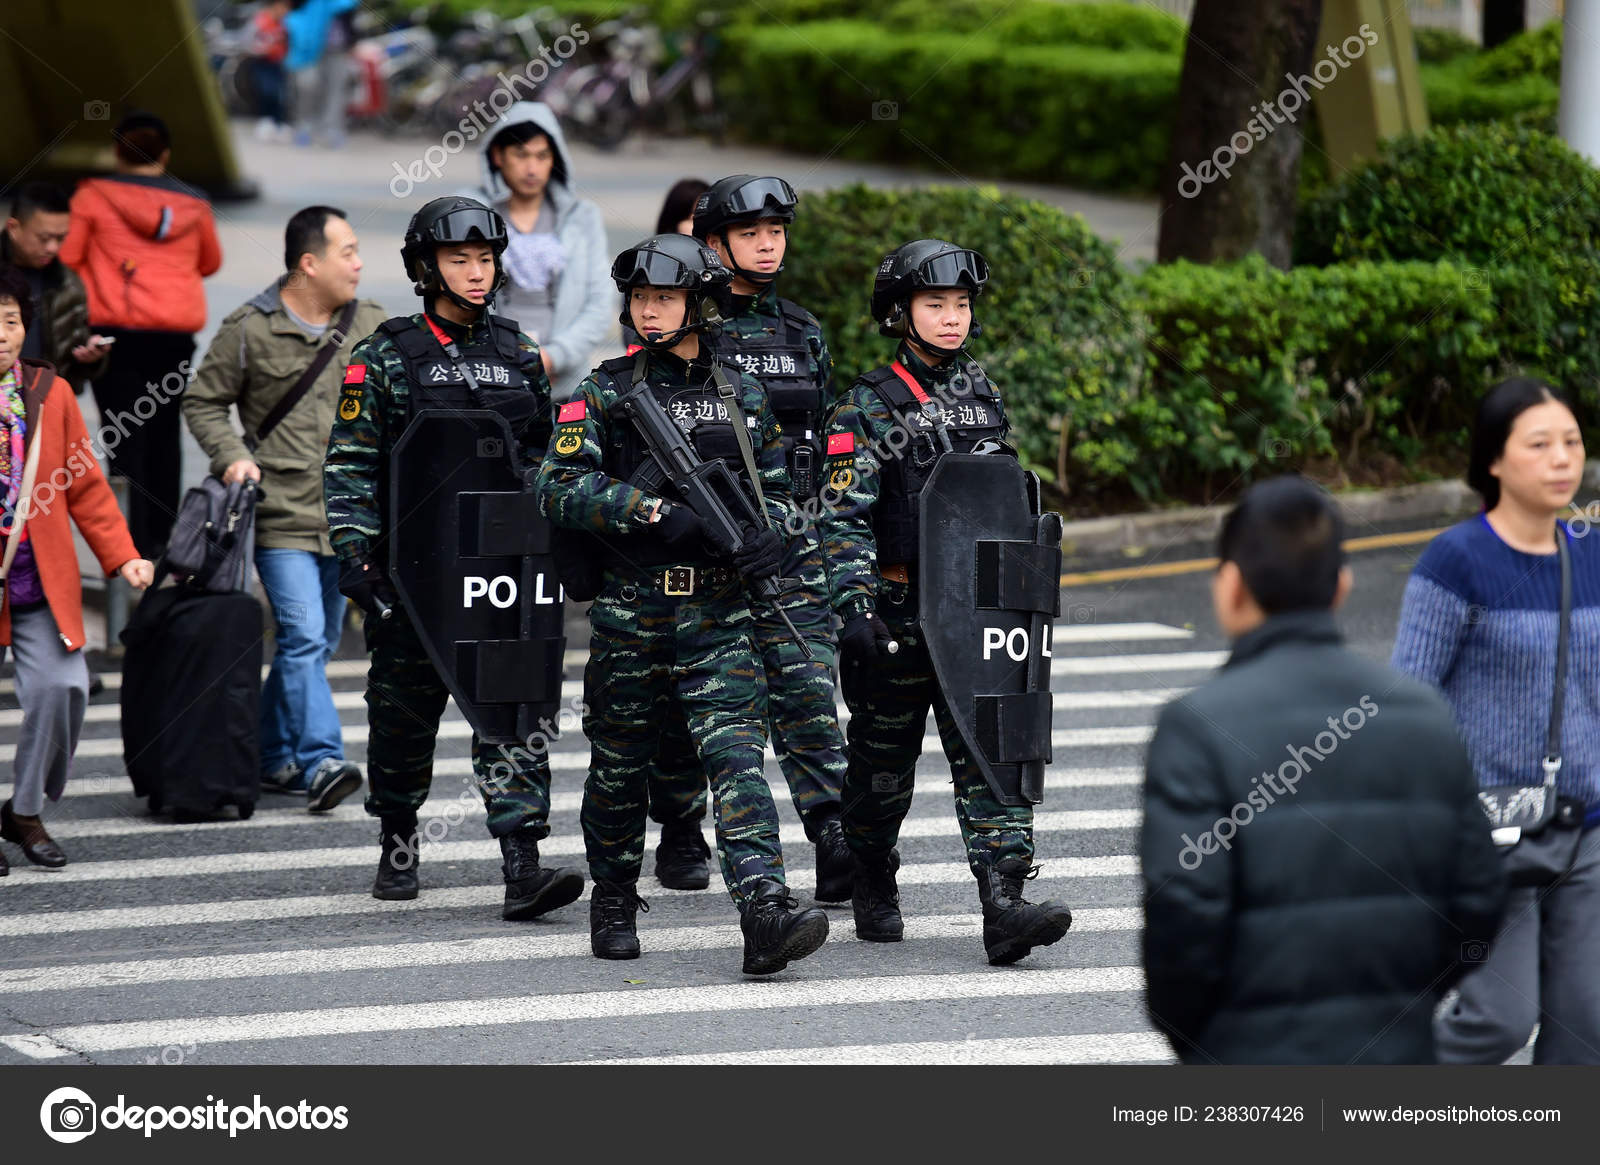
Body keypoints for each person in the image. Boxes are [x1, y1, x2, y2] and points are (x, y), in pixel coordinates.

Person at [535, 233, 829, 974]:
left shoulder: (742, 392)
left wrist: (771, 542)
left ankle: (763, 906)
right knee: (619, 765)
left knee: (736, 758)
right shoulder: (603, 391)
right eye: (640, 299)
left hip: (719, 612)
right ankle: (612, 893)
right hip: (632, 613)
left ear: (698, 304)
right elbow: (555, 486)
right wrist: (653, 512)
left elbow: (780, 492)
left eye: (664, 298)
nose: (649, 311)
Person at [1142, 475, 1506, 1064]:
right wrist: (1405, 1004)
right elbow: (1479, 897)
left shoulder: (1197, 727)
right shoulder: (1423, 714)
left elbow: (1184, 919)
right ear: (1341, 587)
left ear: (1230, 586)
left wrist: (1201, 1039)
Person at [324, 196, 583, 921]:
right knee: (402, 714)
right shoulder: (384, 356)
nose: (476, 272)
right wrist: (357, 559)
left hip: (501, 567)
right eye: (458, 259)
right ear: (424, 267)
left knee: (510, 705)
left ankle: (522, 862)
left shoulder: (518, 354)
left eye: (485, 258)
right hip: (414, 572)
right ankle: (398, 839)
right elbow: (350, 466)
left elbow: (543, 459)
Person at [817, 238, 1072, 965]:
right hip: (897, 611)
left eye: (961, 305)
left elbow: (1007, 506)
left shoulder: (982, 395)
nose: (952, 318)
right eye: (936, 305)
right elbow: (842, 516)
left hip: (977, 612)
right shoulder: (864, 406)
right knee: (881, 770)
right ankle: (869, 867)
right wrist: (853, 608)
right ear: (901, 313)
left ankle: (1004, 902)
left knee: (996, 748)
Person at [617, 174, 849, 898]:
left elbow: (828, 440)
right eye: (750, 232)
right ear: (712, 245)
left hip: (789, 546)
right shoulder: (697, 329)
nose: (768, 244)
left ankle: (836, 837)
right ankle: (682, 826)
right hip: (702, 555)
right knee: (700, 706)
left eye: (776, 231)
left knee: (809, 693)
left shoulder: (805, 331)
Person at [1393, 377, 1600, 1064]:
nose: (1562, 458)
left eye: (1570, 441)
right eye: (1539, 444)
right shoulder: (1456, 561)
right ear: (1494, 460)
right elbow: (1408, 696)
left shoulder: (1591, 552)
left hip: (1589, 829)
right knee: (1499, 1020)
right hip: (1489, 830)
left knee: (1585, 1026)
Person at [184, 206, 384, 811]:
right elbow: (202, 401)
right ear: (309, 263)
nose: (358, 262)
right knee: (301, 636)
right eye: (346, 251)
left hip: (351, 523)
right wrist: (230, 458)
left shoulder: (372, 324)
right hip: (281, 519)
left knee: (316, 644)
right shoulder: (249, 329)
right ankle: (323, 759)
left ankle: (272, 758)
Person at [0, 267, 154, 874]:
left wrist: (123, 555)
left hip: (36, 578)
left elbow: (86, 488)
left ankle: (24, 809)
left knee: (63, 688)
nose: (1, 334)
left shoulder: (49, 393)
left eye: (10, 321)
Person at [60, 112, 223, 560]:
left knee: (123, 434)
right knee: (165, 433)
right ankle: (161, 538)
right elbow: (209, 262)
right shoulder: (195, 202)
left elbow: (69, 256)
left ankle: (128, 544)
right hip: (174, 336)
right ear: (165, 155)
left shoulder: (92, 197)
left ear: (117, 152)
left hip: (116, 335)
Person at [473, 102, 612, 403]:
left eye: (542, 155)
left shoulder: (582, 216)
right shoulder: (471, 211)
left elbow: (600, 301)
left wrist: (554, 357)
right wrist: (499, 359)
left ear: (555, 158)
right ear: (498, 155)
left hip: (568, 385)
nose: (532, 168)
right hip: (487, 382)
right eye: (521, 155)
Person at [1, 182, 109, 393]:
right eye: (44, 238)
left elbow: (74, 372)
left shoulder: (68, 284)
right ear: (14, 228)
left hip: (45, 403)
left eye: (60, 238)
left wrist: (90, 359)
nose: (52, 248)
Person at [286, 0, 356, 149]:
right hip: (309, 48)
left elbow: (350, 22)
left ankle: (331, 130)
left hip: (338, 48)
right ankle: (305, 127)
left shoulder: (346, 3)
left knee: (336, 90)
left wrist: (352, 43)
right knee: (308, 87)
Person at [248, 0, 293, 141]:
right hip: (262, 61)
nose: (285, 10)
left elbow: (290, 42)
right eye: (283, 6)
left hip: (279, 63)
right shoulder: (260, 20)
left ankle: (278, 123)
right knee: (267, 91)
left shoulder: (285, 23)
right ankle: (265, 121)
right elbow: (248, 40)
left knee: (281, 94)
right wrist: (258, 50)